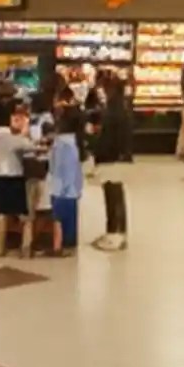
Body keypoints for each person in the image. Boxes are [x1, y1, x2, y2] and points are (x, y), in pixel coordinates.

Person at [0, 105, 35, 258]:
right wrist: (25, 131)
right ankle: (26, 248)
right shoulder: (16, 139)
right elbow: (30, 146)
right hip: (14, 177)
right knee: (23, 215)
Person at [92, 74, 133, 251]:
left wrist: (97, 150)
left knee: (112, 196)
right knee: (117, 195)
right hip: (119, 158)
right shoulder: (121, 109)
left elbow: (108, 138)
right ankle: (118, 232)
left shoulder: (112, 112)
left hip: (110, 158)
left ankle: (113, 234)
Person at [48, 107, 85, 257]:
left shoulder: (62, 143)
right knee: (67, 218)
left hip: (61, 189)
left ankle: (58, 246)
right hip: (71, 190)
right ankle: (65, 245)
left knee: (58, 218)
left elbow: (56, 167)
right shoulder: (73, 142)